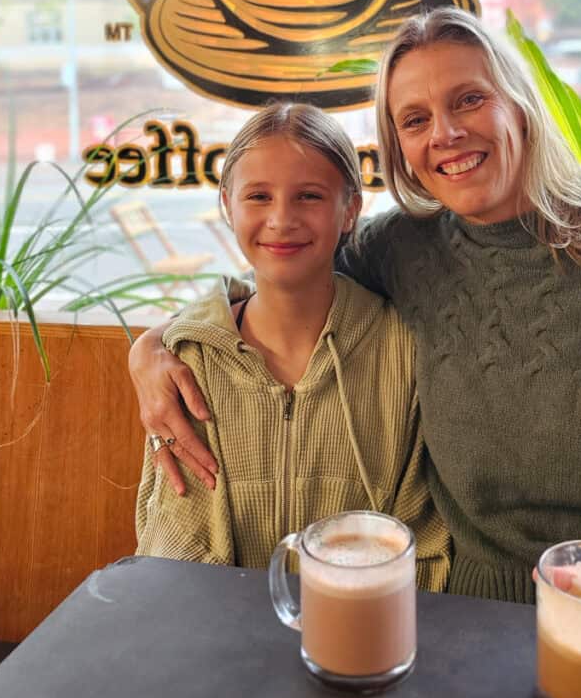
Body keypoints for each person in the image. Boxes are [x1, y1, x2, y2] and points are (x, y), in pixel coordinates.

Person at [130, 8, 581, 698]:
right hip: (454, 633)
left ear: (520, 102)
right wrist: (152, 347)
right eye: (413, 119)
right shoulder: (405, 250)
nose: (444, 134)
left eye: (469, 100)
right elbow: (279, 269)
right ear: (399, 149)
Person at [134, 101, 450, 591]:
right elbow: (174, 538)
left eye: (309, 196)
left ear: (350, 209)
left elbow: (421, 541)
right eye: (258, 196)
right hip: (218, 641)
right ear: (227, 205)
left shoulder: (401, 351)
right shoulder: (187, 362)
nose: (281, 219)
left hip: (357, 636)